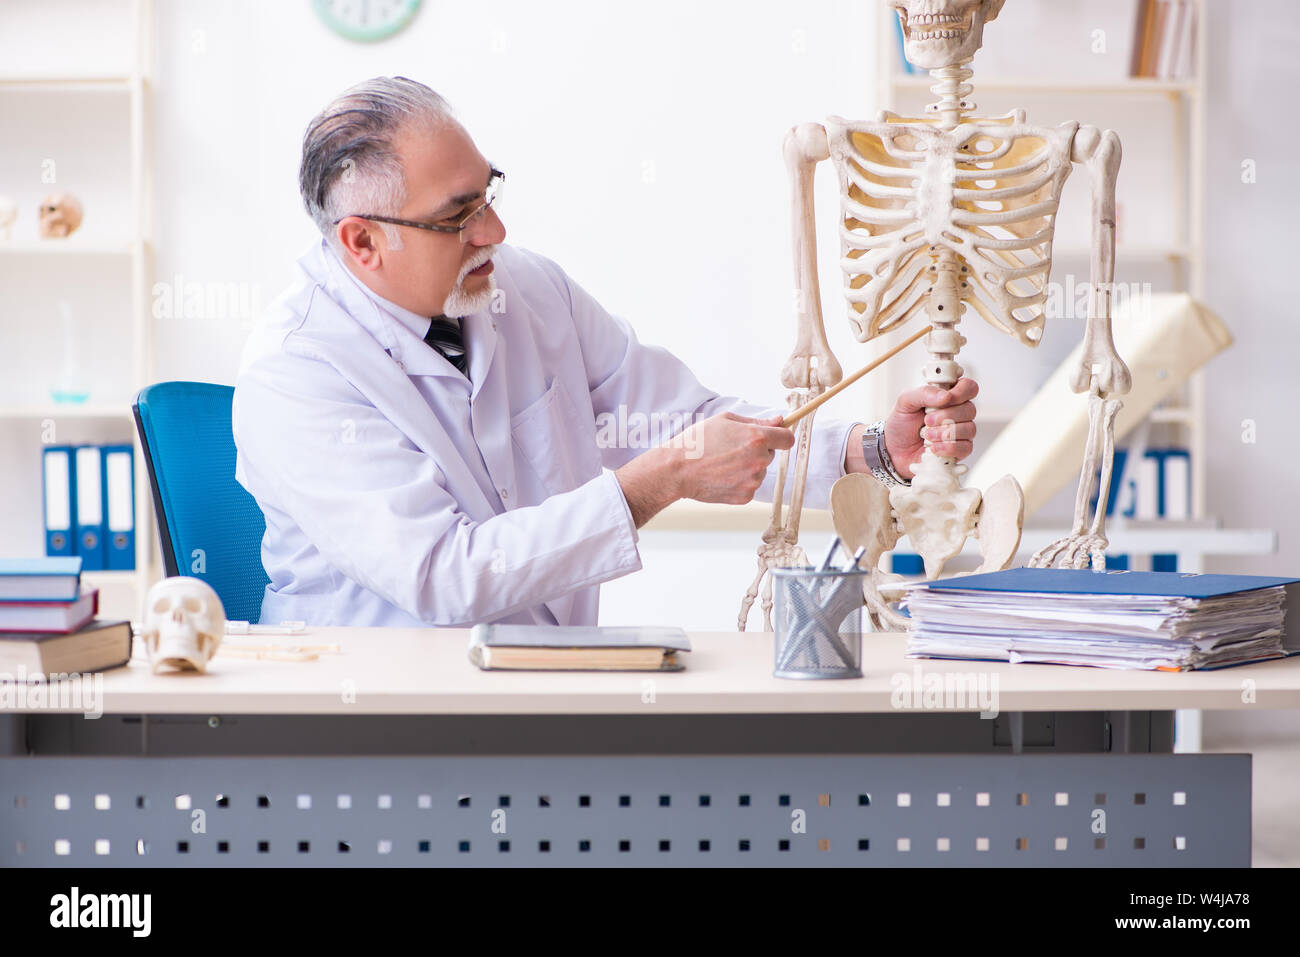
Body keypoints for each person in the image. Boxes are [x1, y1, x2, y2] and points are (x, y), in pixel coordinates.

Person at [232, 77, 978, 627]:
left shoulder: (523, 289)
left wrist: (870, 449)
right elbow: (444, 576)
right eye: (457, 217)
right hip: (374, 724)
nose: (494, 230)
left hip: (538, 691)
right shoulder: (295, 375)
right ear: (362, 242)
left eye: (486, 193)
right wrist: (653, 484)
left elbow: (681, 421)